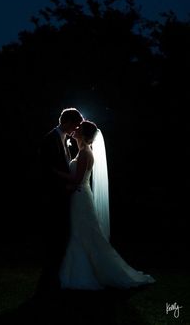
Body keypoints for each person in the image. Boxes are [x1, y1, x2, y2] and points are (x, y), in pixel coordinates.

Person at [57, 120, 156, 290]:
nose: (76, 129)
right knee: (81, 234)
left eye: (79, 128)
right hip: (80, 197)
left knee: (83, 234)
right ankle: (80, 271)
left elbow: (77, 180)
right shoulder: (83, 152)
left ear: (85, 134)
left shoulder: (85, 153)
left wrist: (55, 173)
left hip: (80, 198)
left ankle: (85, 273)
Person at [37, 107, 84, 292]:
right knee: (55, 236)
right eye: (75, 125)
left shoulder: (64, 139)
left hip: (63, 195)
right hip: (53, 196)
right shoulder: (50, 139)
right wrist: (67, 183)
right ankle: (50, 276)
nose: (75, 129)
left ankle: (56, 273)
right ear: (66, 122)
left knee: (62, 235)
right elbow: (45, 169)